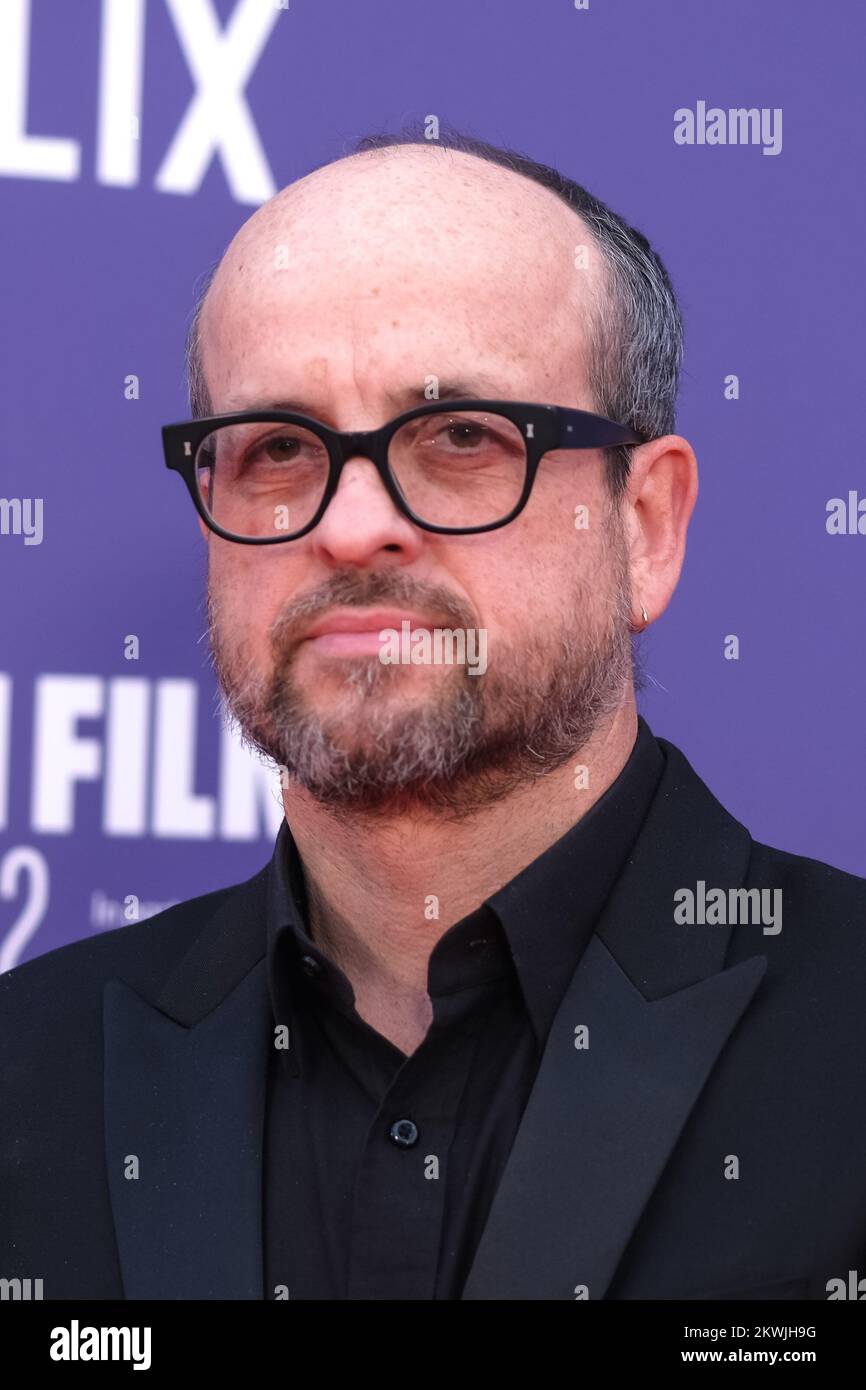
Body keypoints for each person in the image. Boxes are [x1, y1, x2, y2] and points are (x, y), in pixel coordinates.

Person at [2, 128, 865, 1302]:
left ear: (643, 525)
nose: (350, 525)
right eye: (275, 448)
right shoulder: (26, 1071)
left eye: (460, 436)